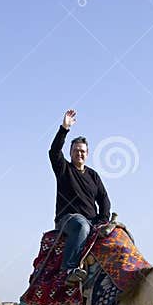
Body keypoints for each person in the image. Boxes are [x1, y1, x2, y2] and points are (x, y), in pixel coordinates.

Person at [49, 108, 111, 283]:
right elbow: (53, 152)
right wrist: (64, 129)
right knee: (81, 226)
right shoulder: (63, 169)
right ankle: (69, 270)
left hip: (92, 221)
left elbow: (104, 199)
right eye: (76, 150)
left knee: (119, 232)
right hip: (68, 220)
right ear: (70, 153)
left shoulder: (93, 176)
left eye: (82, 151)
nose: (79, 153)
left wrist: (103, 219)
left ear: (87, 153)